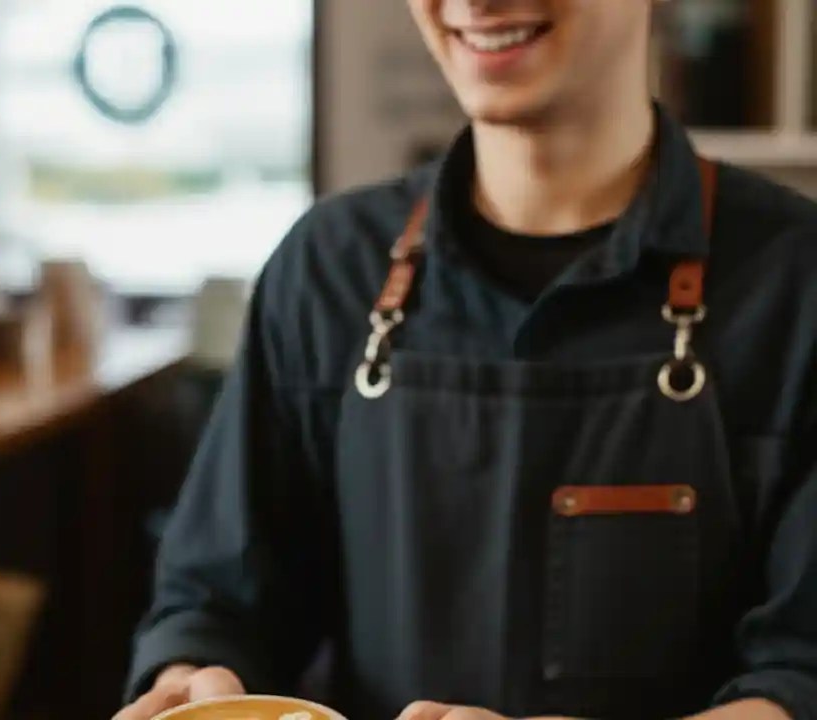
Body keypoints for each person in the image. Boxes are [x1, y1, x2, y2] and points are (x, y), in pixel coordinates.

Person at [116, 1, 817, 719]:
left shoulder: (796, 283)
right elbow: (219, 599)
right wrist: (190, 682)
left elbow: (804, 673)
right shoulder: (327, 268)